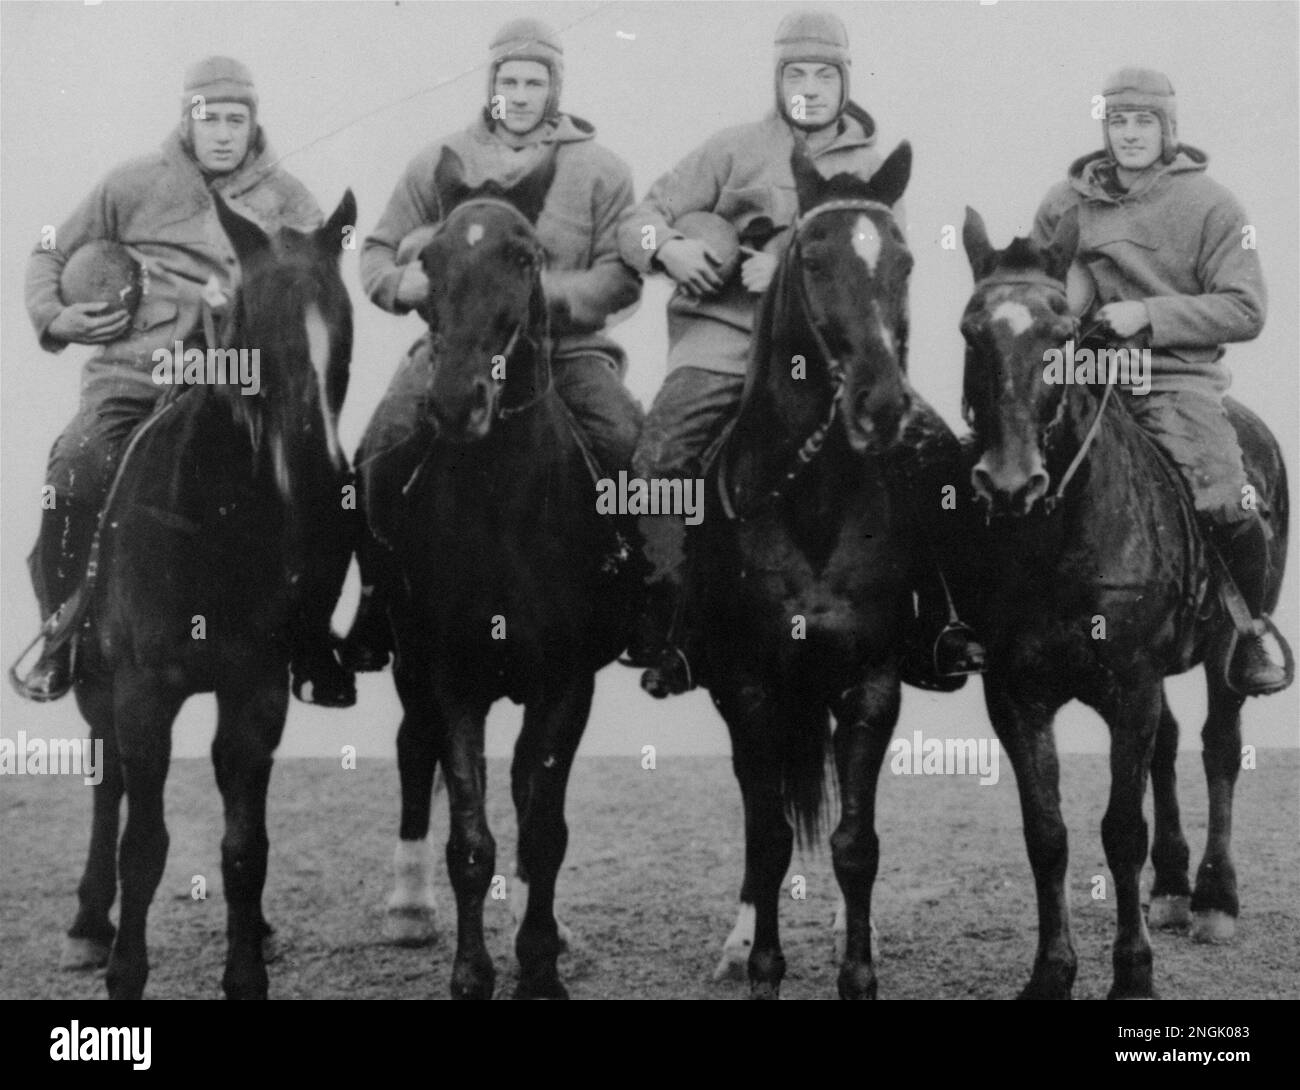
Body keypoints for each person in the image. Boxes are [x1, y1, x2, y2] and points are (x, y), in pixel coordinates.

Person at [616, 8, 985, 696]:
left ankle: (942, 619)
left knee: (936, 455)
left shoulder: (875, 167)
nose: (809, 88)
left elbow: (879, 263)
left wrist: (786, 256)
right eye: (795, 74)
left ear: (845, 82)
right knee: (659, 455)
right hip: (725, 344)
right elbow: (636, 220)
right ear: (777, 79)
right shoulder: (730, 149)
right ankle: (670, 618)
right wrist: (666, 247)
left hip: (837, 361)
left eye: (824, 74)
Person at [19, 56, 356, 707]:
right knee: (75, 474)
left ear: (254, 123)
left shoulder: (290, 199)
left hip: (243, 394)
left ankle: (312, 638)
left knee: (333, 486)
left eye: (237, 119)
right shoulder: (130, 184)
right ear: (187, 118)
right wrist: (57, 315)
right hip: (134, 379)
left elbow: (317, 285)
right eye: (211, 118)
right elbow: (49, 250)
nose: (224, 133)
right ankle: (62, 635)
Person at [340, 17, 644, 670]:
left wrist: (546, 298)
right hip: (457, 348)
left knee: (630, 444)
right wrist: (406, 286)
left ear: (555, 88)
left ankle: (644, 597)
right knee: (380, 444)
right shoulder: (439, 161)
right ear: (491, 83)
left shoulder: (600, 170)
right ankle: (375, 598)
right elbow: (378, 250)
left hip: (568, 354)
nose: (521, 93)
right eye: (509, 79)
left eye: (535, 81)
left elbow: (624, 276)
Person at [1032, 66, 1288, 695]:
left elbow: (1246, 308)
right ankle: (976, 624)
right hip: (1083, 374)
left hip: (1175, 378)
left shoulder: (1213, 205)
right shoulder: (1064, 203)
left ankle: (1250, 630)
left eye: (1143, 121)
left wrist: (1149, 314)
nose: (1130, 134)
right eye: (1118, 121)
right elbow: (1034, 288)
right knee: (996, 474)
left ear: (1167, 127)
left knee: (1228, 497)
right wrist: (1058, 305)